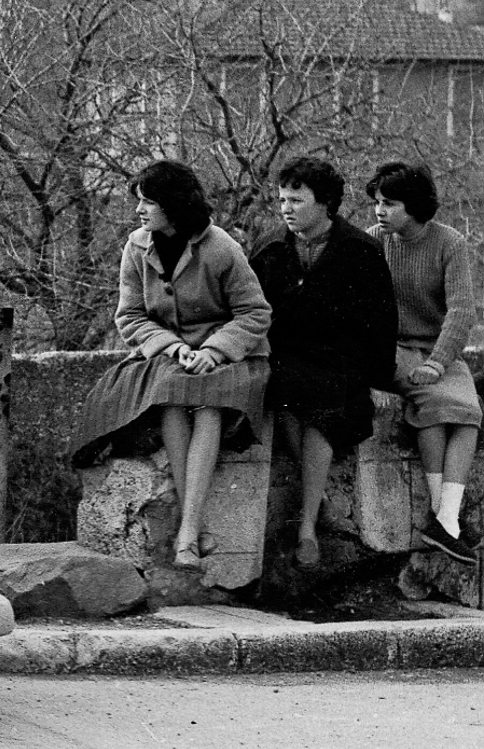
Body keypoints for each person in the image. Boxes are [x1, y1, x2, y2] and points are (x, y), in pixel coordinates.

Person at [73, 160, 272, 568]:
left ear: (174, 205)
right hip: (170, 352)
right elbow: (129, 315)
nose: (139, 211)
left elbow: (254, 313)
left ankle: (187, 531)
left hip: (228, 354)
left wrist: (214, 351)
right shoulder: (136, 246)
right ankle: (193, 532)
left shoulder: (221, 248)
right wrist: (171, 347)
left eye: (148, 202)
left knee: (211, 401)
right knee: (170, 395)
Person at [249, 157, 398, 568]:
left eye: (296, 199)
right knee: (284, 391)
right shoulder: (269, 248)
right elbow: (250, 311)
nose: (286, 208)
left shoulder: (361, 251)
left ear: (326, 203)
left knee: (323, 403)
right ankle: (318, 506)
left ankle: (306, 529)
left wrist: (380, 380)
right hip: (286, 358)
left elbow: (382, 321)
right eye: (282, 199)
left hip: (342, 362)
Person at [366, 161, 481, 565]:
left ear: (414, 206)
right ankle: (447, 524)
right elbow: (363, 311)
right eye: (377, 202)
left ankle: (444, 520)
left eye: (390, 203)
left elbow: (462, 310)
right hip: (391, 348)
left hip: (439, 351)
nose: (380, 211)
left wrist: (437, 362)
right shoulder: (373, 242)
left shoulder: (449, 243)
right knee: (431, 406)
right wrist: (374, 369)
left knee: (468, 413)